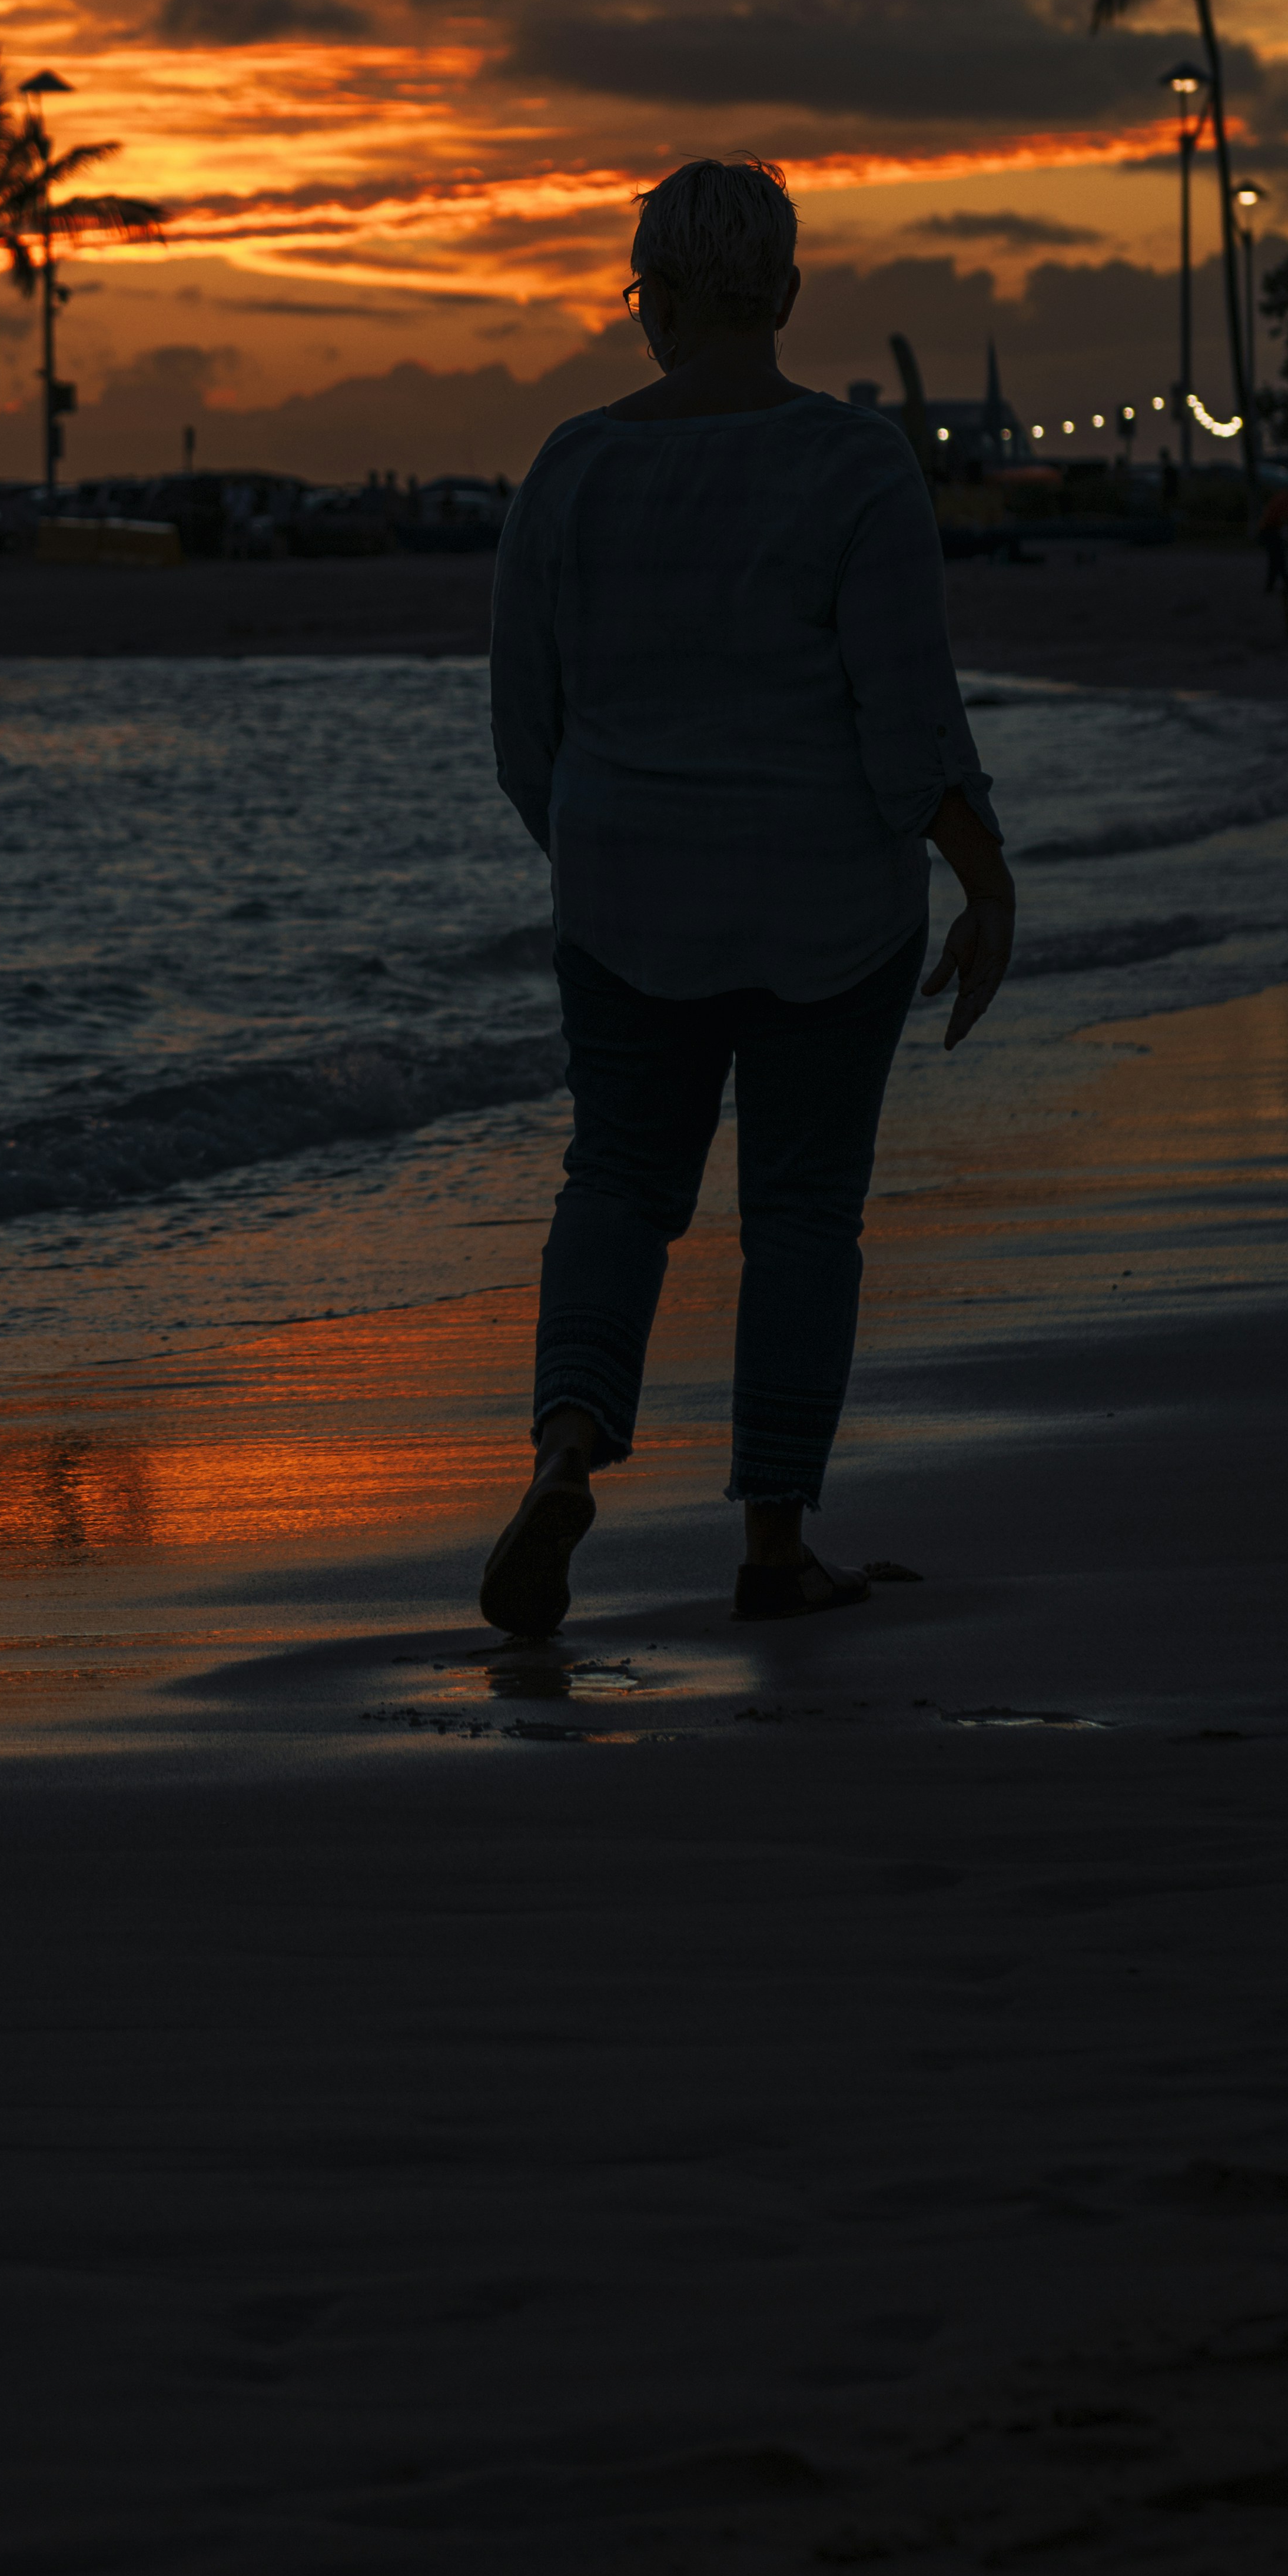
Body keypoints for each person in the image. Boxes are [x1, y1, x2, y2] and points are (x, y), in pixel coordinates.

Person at [478, 157, 1014, 1639]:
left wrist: (600, 854)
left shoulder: (572, 467)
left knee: (618, 1185)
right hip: (829, 911)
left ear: (644, 302)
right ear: (784, 292)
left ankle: (565, 1450)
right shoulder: (852, 465)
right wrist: (986, 882)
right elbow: (905, 720)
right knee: (799, 1215)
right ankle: (773, 1543)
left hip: (625, 901)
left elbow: (527, 732)